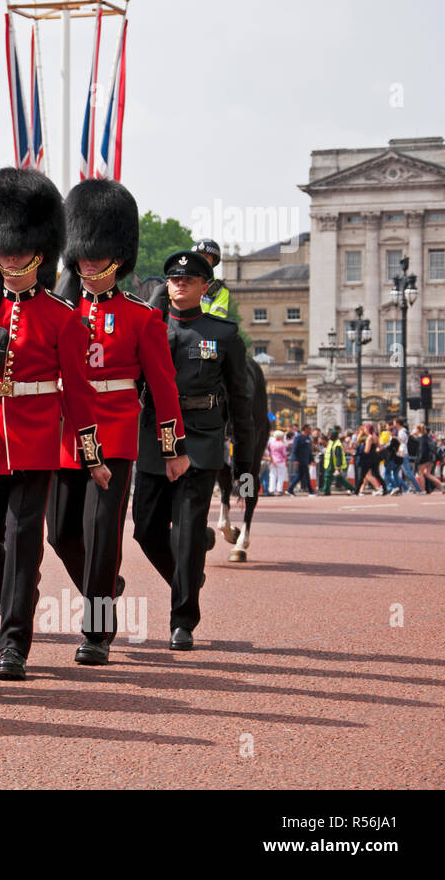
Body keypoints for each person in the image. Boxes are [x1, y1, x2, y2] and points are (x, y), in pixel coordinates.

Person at [0, 168, 102, 680]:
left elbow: (79, 391)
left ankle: (13, 644)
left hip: (38, 439)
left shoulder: (63, 318)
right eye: (5, 252)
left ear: (39, 253)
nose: (12, 261)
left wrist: (91, 455)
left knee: (24, 541)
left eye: (20, 253)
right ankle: (17, 602)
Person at [48, 180, 186, 666]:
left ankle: (98, 628)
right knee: (62, 533)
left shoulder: (142, 317)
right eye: (83, 250)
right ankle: (103, 582)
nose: (87, 260)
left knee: (103, 529)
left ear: (118, 256)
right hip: (68, 432)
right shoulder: (59, 311)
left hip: (115, 432)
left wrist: (172, 448)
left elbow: (164, 387)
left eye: (98, 251)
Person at [132, 250, 254, 651]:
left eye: (189, 279)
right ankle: (188, 577)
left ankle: (182, 619)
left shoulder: (223, 334)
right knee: (146, 529)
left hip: (200, 440)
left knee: (185, 534)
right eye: (173, 279)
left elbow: (240, 402)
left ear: (206, 286)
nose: (179, 284)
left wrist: (244, 462)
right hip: (153, 438)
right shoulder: (149, 328)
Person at [191, 239, 232, 319]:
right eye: (198, 256)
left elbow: (217, 318)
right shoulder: (180, 281)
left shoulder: (220, 289)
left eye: (206, 257)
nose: (201, 260)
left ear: (213, 262)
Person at [321, 428, 354, 494]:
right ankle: (352, 489)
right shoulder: (331, 443)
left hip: (334, 465)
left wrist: (338, 466)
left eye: (330, 435)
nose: (329, 436)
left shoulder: (337, 444)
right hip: (329, 464)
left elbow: (339, 456)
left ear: (334, 436)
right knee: (339, 479)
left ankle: (325, 491)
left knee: (327, 477)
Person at [287, 423, 315, 495]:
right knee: (306, 475)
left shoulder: (308, 438)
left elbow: (309, 451)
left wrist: (312, 460)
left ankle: (290, 489)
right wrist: (295, 459)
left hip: (305, 460)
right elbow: (295, 449)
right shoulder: (298, 438)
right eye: (309, 428)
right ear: (305, 429)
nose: (310, 430)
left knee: (300, 475)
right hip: (300, 460)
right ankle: (310, 490)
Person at [267, 430, 288, 495]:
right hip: (280, 461)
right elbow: (284, 454)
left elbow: (269, 452)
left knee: (272, 475)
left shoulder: (271, 444)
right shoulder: (282, 444)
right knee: (280, 476)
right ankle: (279, 490)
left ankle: (271, 490)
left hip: (272, 461)